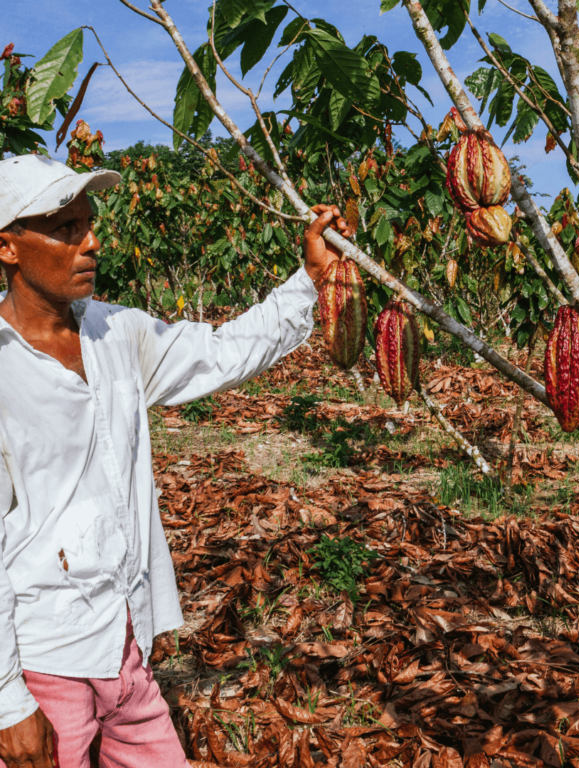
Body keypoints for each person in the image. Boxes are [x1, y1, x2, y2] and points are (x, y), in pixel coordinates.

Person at [0, 154, 350, 768]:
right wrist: (7, 703)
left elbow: (220, 352)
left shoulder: (116, 334)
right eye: (65, 229)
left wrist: (308, 280)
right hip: (44, 659)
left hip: (124, 644)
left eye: (89, 222)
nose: (91, 242)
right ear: (8, 248)